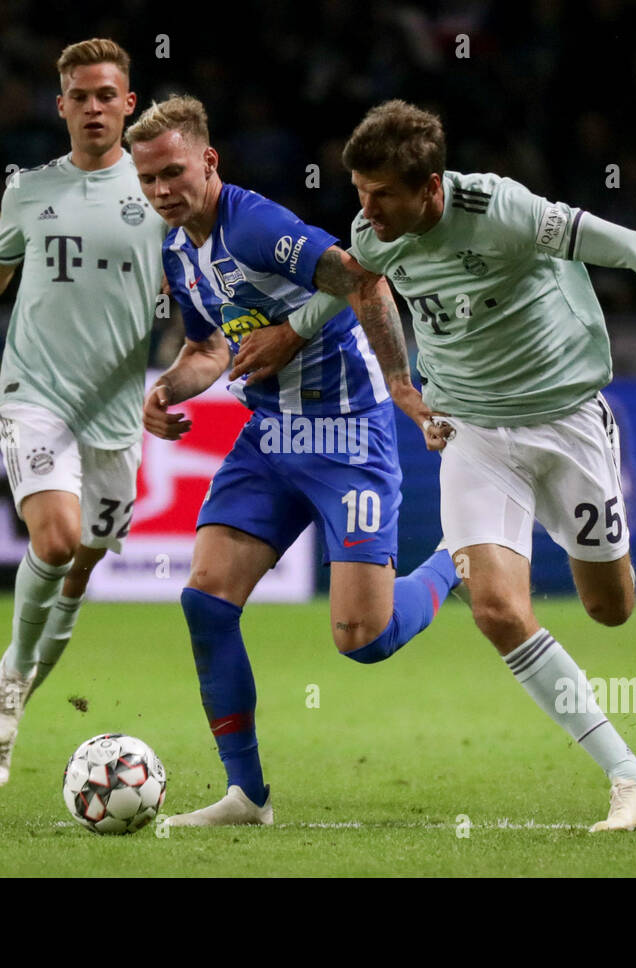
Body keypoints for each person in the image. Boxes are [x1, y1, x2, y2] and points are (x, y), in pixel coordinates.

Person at [246, 100, 636, 831]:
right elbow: (362, 281)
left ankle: (491, 548)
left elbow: (632, 246)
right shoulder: (375, 231)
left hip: (567, 419)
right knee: (498, 611)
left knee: (610, 608)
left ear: (430, 186)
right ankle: (632, 779)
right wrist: (296, 335)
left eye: (381, 193)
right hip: (471, 429)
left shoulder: (505, 210)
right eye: (359, 191)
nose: (366, 210)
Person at [126, 95, 459, 826]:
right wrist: (167, 390)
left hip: (347, 435)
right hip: (269, 435)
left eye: (173, 174)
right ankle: (247, 794)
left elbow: (361, 278)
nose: (161, 192)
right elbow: (210, 347)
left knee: (360, 640)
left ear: (208, 161)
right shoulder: (177, 247)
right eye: (147, 180)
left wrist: (400, 382)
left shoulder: (255, 225)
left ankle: (456, 559)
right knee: (206, 600)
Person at [0, 39, 166, 786]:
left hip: (113, 415)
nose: (92, 108)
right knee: (55, 539)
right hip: (35, 394)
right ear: (61, 107)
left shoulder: (157, 193)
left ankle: (10, 700)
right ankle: (11, 686)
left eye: (106, 95)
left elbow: (193, 289)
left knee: (78, 571)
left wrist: (181, 373)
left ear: (128, 104)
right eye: (79, 96)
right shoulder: (30, 190)